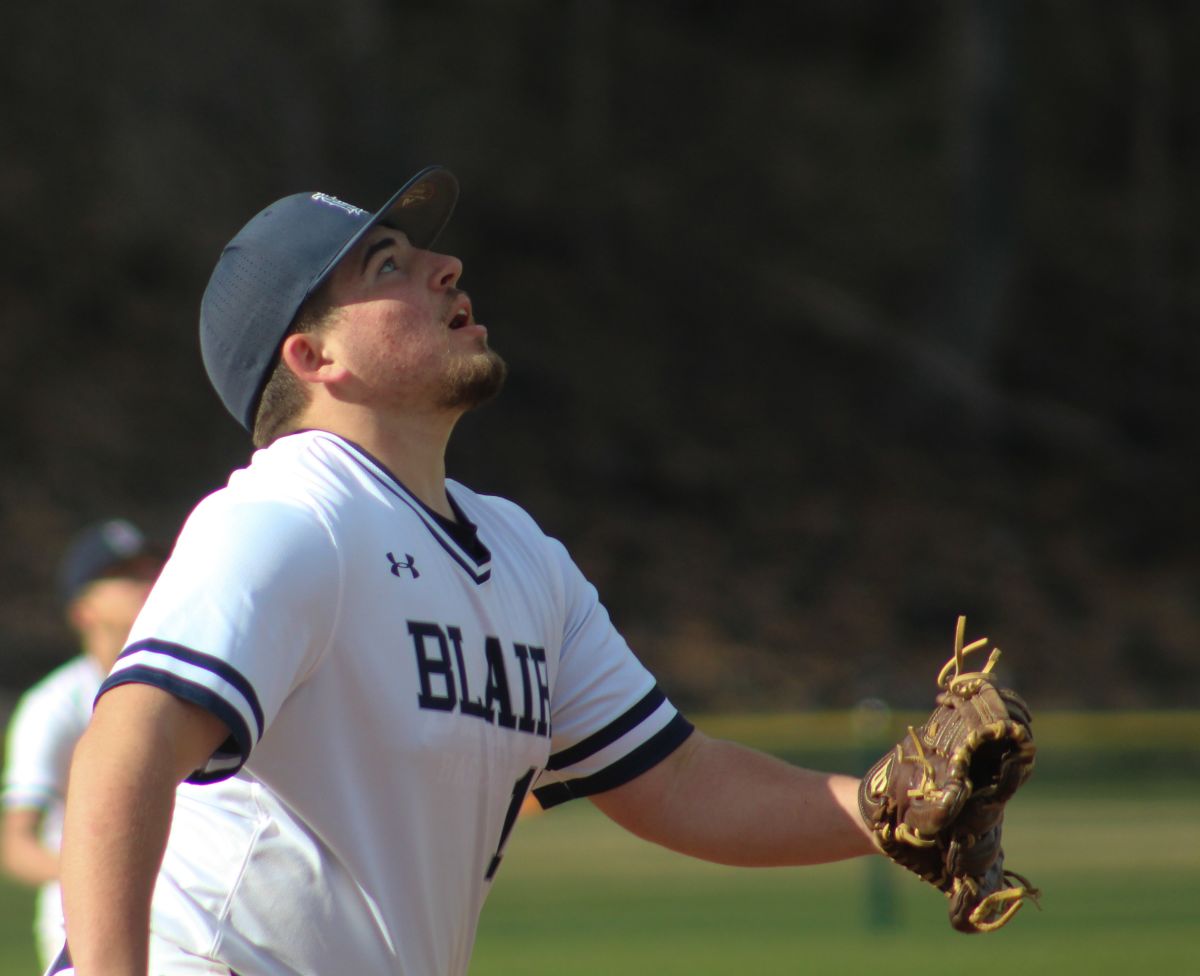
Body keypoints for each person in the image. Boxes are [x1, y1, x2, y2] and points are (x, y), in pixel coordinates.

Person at [56, 166, 877, 976]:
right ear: (314, 356)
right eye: (388, 266)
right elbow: (125, 748)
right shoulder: (291, 516)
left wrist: (891, 808)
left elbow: (678, 780)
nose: (445, 267)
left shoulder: (522, 555)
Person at [1, 520, 162, 970]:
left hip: (179, 917)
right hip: (80, 927)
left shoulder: (177, 688)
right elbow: (15, 845)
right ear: (83, 610)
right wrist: (105, 869)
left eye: (151, 570)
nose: (146, 584)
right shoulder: (54, 705)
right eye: (124, 576)